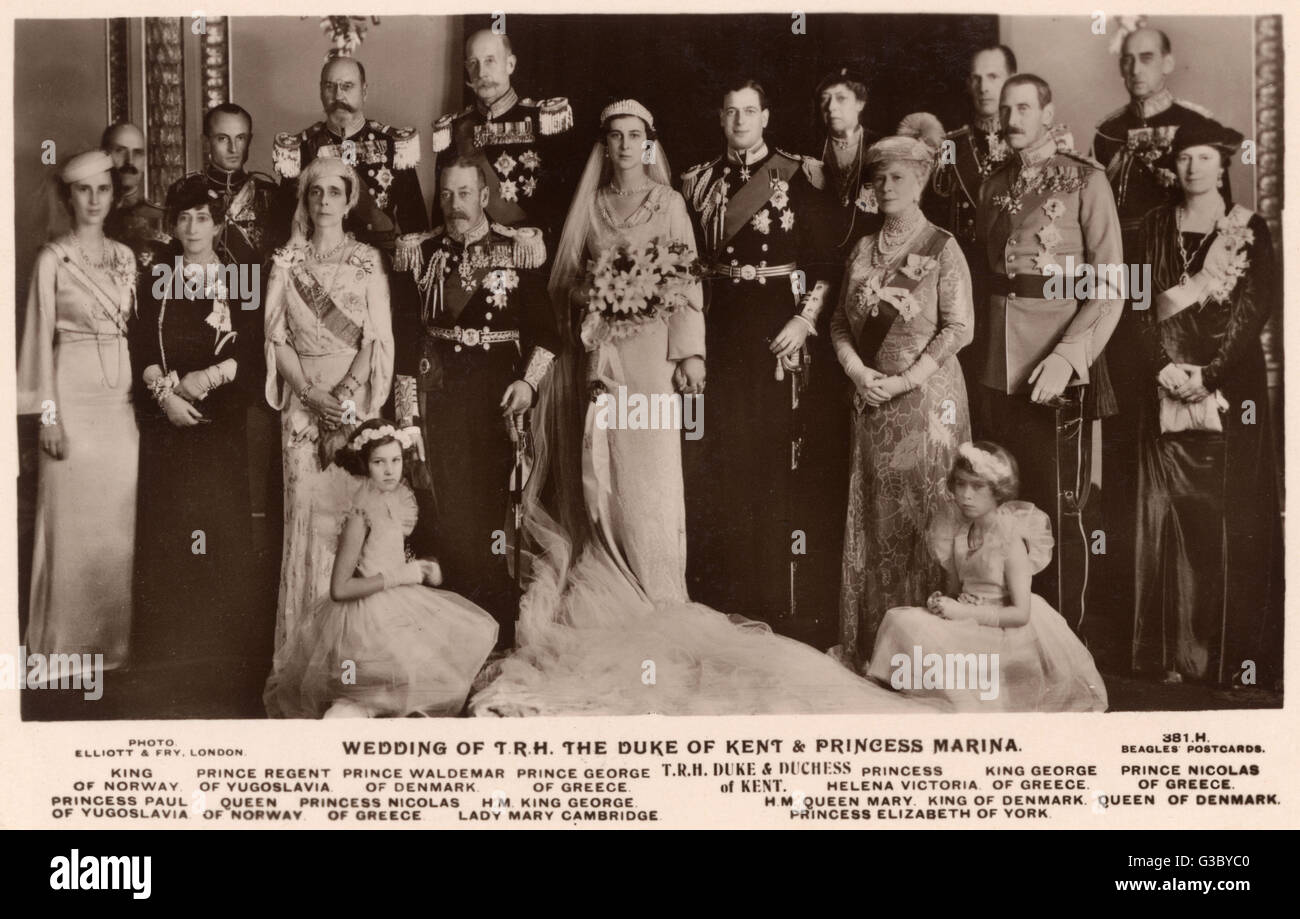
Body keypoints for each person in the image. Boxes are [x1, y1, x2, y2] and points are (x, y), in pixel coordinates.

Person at [468, 99, 943, 718]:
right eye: (614, 137)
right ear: (605, 145)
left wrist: (689, 355)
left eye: (635, 136)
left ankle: (660, 596)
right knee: (598, 478)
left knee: (650, 482)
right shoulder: (592, 205)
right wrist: (603, 293)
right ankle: (610, 588)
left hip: (653, 360)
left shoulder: (669, 203)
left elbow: (688, 280)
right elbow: (572, 282)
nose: (624, 146)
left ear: (649, 141)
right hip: (601, 359)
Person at [1131, 120, 1281, 688]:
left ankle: (1225, 659)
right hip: (1162, 386)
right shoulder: (1152, 227)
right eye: (1184, 158)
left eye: (1204, 158)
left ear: (1223, 166)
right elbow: (1137, 305)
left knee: (1226, 520)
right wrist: (1163, 368)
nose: (1193, 167)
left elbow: (1254, 311)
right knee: (1162, 519)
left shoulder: (1249, 229)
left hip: (1227, 392)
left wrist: (1209, 374)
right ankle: (1169, 657)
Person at [679, 79, 834, 624]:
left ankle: (771, 602)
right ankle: (720, 601)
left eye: (750, 111)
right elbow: (686, 268)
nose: (740, 121)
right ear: (720, 119)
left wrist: (804, 318)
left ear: (766, 117)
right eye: (731, 112)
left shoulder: (798, 174)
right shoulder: (697, 182)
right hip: (717, 334)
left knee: (771, 464)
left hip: (775, 336)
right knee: (715, 460)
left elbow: (823, 265)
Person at [391, 157, 558, 648]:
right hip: (437, 396)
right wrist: (407, 412)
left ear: (484, 197)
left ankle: (494, 629)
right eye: (446, 194)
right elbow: (406, 339)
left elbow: (547, 336)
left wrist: (528, 385)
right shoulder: (418, 254)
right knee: (440, 509)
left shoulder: (515, 250)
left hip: (495, 399)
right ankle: (450, 633)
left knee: (490, 515)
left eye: (464, 194)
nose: (455, 205)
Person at [830, 113, 974, 670]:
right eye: (879, 179)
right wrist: (858, 373)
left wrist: (907, 380)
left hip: (927, 399)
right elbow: (841, 324)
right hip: (871, 401)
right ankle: (876, 649)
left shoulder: (943, 246)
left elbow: (960, 327)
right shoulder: (863, 249)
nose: (887, 187)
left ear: (920, 182)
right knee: (878, 519)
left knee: (928, 515)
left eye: (899, 178)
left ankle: (929, 655)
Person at [975, 74, 1123, 605]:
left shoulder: (1085, 180)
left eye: (1024, 108)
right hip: (997, 366)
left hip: (1057, 364)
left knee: (1060, 505)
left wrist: (1069, 355)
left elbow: (1110, 285)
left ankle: (1067, 639)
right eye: (1005, 109)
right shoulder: (993, 183)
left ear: (1046, 113)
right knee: (1003, 501)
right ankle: (1014, 634)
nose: (1012, 119)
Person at [1091, 26, 1219, 632]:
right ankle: (1129, 617)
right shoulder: (1107, 130)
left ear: (1167, 61)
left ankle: (1188, 621)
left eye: (1146, 58)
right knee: (1123, 455)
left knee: (1180, 460)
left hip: (1182, 300)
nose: (1136, 69)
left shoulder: (1195, 126)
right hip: (1124, 299)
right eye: (1127, 60)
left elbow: (1223, 227)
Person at [130, 175, 262, 703]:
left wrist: (203, 383)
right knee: (170, 527)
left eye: (202, 218)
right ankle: (170, 655)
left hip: (218, 424)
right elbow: (139, 343)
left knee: (218, 525)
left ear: (219, 222)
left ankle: (224, 656)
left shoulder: (241, 273)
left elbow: (252, 351)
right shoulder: (158, 273)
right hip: (167, 423)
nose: (191, 228)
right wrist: (165, 395)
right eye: (182, 218)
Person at [266, 421, 498, 718]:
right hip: (365, 614)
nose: (389, 470)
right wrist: (401, 576)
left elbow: (391, 555)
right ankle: (355, 707)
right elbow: (340, 589)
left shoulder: (395, 500)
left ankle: (374, 706)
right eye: (379, 462)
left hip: (400, 602)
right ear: (365, 464)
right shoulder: (358, 515)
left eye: (395, 460)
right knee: (390, 682)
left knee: (446, 679)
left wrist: (425, 569)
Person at [263, 156, 394, 673]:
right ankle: (303, 659)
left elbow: (376, 337)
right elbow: (275, 336)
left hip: (354, 403)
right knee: (307, 518)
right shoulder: (285, 262)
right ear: (305, 199)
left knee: (353, 520)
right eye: (315, 193)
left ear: (349, 199)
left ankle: (353, 655)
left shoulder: (366, 260)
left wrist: (344, 396)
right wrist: (309, 393)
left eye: (334, 193)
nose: (324, 202)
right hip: (301, 404)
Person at [868, 442, 1108, 711]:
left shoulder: (1009, 539)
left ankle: (966, 703)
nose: (965, 495)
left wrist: (962, 613)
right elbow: (956, 590)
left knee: (920, 634)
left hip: (1003, 629)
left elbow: (1020, 614)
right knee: (900, 619)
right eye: (960, 484)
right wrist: (942, 603)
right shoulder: (958, 534)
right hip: (967, 621)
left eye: (977, 486)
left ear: (997, 490)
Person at [17, 150, 139, 680]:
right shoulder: (53, 260)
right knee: (67, 529)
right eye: (84, 191)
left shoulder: (127, 258)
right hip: (70, 396)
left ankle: (108, 646)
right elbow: (36, 346)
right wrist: (48, 418)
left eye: (103, 190)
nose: (94, 200)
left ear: (114, 196)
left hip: (119, 406)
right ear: (69, 198)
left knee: (114, 529)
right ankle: (61, 650)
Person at [930, 44, 1017, 408]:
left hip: (1013, 287)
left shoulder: (1027, 143)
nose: (984, 87)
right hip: (963, 283)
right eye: (976, 78)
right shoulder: (949, 146)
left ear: (1012, 80)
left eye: (994, 77)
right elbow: (933, 221)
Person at [431, 29, 574, 245]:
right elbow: (441, 206)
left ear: (510, 64)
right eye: (473, 63)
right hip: (468, 254)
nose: (481, 73)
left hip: (527, 253)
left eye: (490, 61)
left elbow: (563, 202)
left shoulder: (542, 120)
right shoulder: (454, 127)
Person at [273, 54, 426, 253]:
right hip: (320, 265)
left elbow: (415, 227)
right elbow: (285, 226)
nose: (338, 96)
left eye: (347, 86)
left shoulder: (394, 146)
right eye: (330, 86)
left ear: (364, 91)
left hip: (380, 262)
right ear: (321, 91)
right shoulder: (300, 149)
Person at [173, 103, 284, 270]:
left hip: (255, 292)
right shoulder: (183, 190)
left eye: (240, 138)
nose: (233, 148)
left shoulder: (268, 194)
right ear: (205, 142)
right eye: (222, 138)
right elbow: (172, 257)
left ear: (249, 141)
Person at [101, 122, 170, 266]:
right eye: (120, 150)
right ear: (103, 154)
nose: (130, 161)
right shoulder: (86, 215)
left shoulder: (163, 220)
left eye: (138, 153)